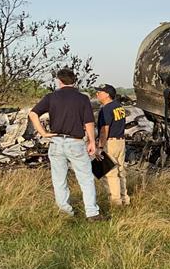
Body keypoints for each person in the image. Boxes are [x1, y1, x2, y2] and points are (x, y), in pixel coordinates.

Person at [27, 69, 106, 221]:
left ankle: (65, 213)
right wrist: (91, 142)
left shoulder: (51, 97)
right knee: (86, 179)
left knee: (59, 179)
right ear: (74, 81)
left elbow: (33, 113)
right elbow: (88, 122)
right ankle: (91, 212)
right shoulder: (82, 99)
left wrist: (43, 133)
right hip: (75, 142)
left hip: (56, 142)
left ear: (59, 81)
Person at [95, 84, 130, 206]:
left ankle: (115, 202)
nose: (97, 94)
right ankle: (124, 198)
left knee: (109, 173)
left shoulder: (106, 109)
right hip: (120, 141)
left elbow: (105, 129)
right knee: (120, 171)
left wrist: (99, 147)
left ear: (107, 94)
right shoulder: (119, 107)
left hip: (110, 143)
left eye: (100, 92)